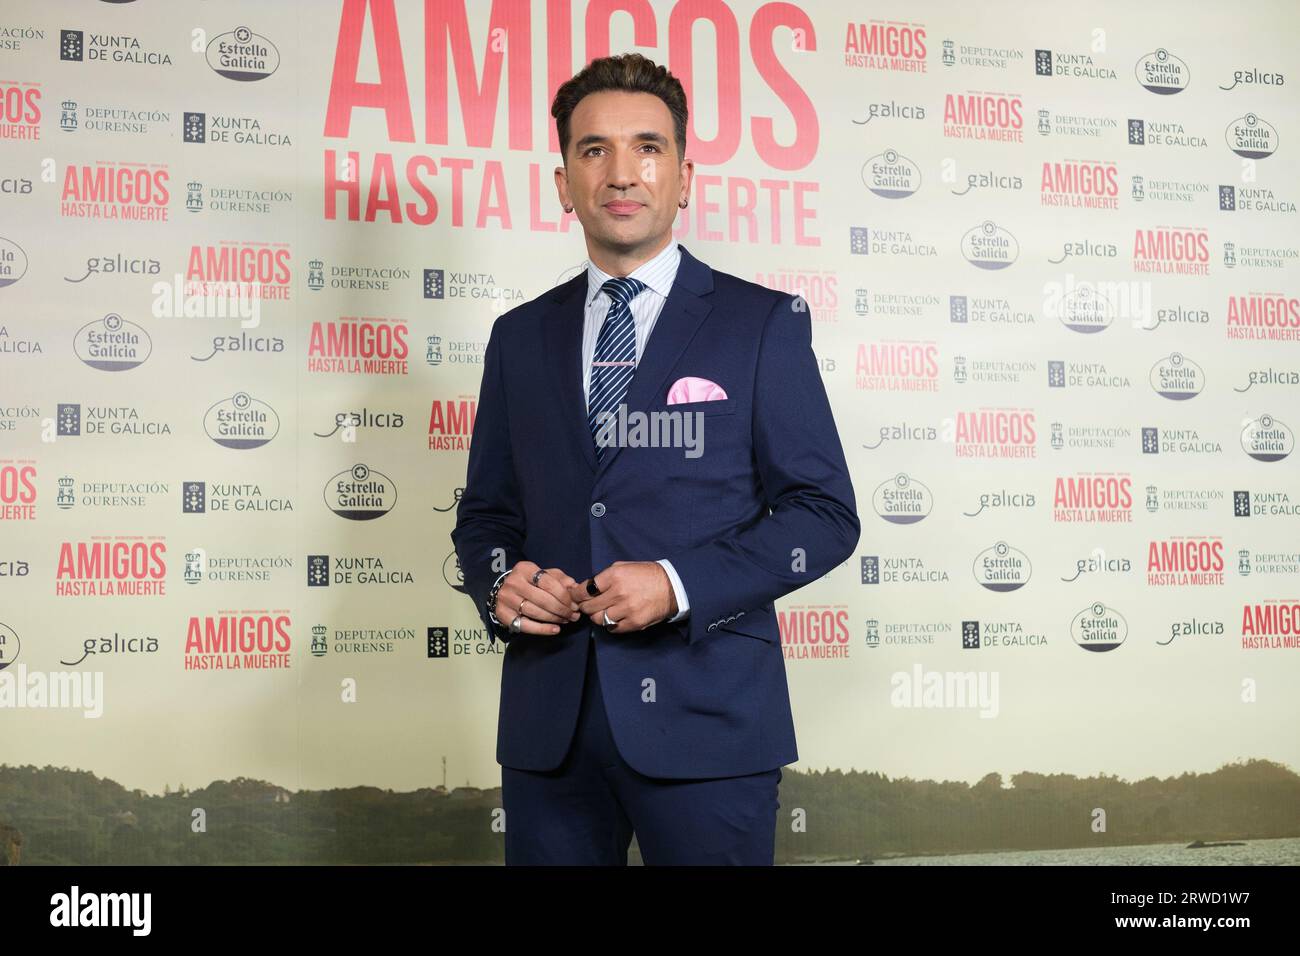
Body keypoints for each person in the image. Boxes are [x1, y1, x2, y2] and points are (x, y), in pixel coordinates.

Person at [451, 52, 859, 865]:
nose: (620, 172)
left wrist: (677, 584)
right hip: (549, 730)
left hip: (709, 724)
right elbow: (487, 514)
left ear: (684, 177)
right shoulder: (518, 338)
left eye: (647, 147)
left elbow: (823, 516)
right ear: (564, 182)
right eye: (593, 150)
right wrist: (501, 584)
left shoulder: (762, 323)